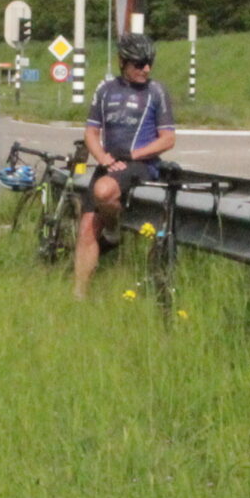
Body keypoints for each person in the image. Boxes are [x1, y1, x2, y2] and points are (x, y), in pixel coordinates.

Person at [74, 32, 176, 298]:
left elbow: (168, 139)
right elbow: (91, 132)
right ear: (122, 62)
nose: (146, 69)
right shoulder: (105, 90)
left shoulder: (156, 91)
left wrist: (134, 154)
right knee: (86, 229)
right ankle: (78, 296)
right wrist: (102, 158)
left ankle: (112, 230)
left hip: (141, 164)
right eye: (139, 64)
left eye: (149, 63)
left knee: (104, 190)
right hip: (110, 163)